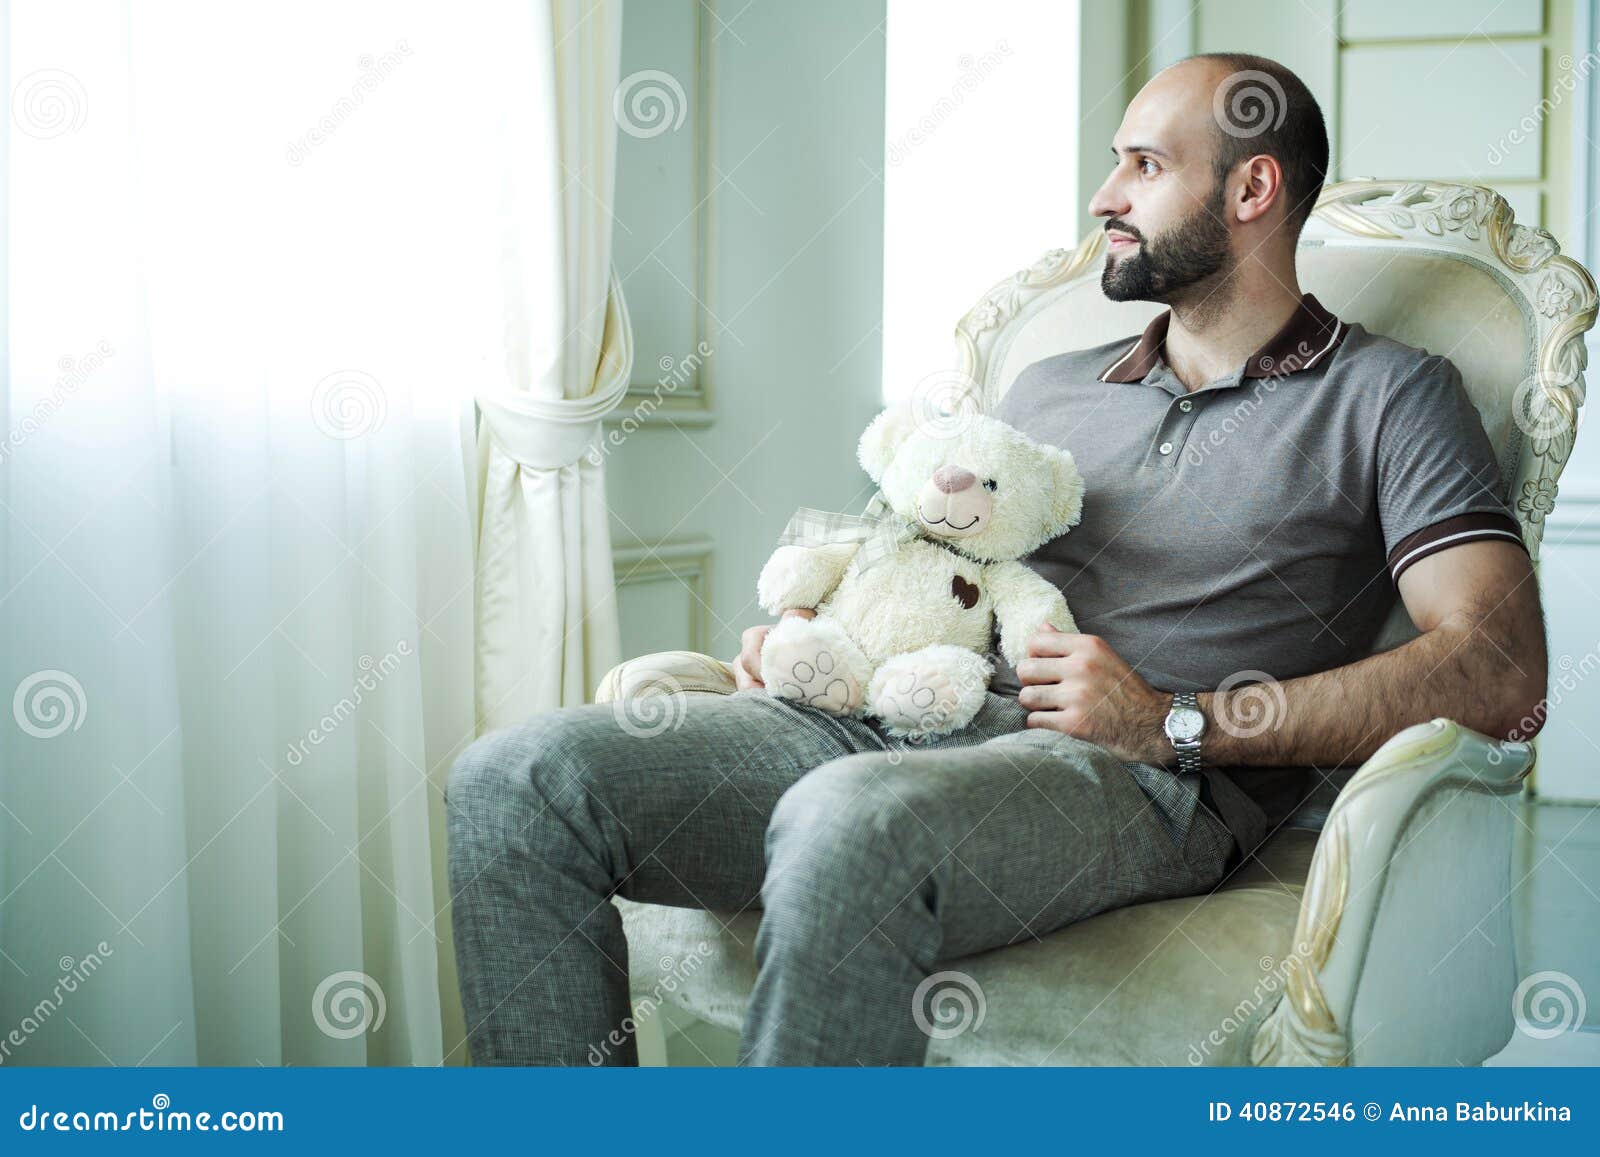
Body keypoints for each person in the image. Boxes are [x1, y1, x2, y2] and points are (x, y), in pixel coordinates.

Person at [445, 51, 1547, 1066]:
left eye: (1144, 166)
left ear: (1251, 191)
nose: (1103, 196)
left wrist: (1176, 719)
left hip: (1135, 777)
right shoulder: (1050, 386)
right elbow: (921, 565)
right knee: (515, 781)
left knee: (849, 820)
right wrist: (817, 637)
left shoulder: (1392, 395)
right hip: (899, 719)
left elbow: (1497, 670)